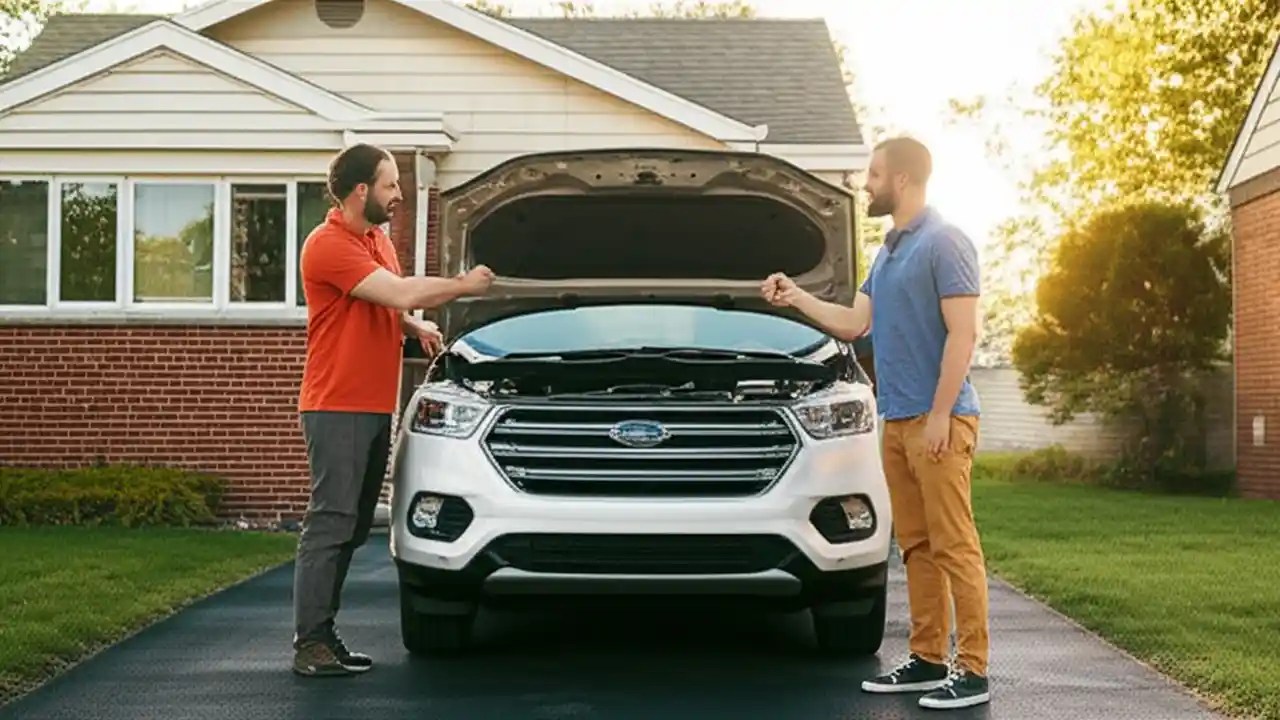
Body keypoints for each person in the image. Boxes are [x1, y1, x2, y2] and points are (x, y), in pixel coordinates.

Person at [761, 136, 990, 710]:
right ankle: (929, 657)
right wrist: (795, 298)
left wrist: (940, 414)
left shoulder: (945, 242)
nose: (866, 184)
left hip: (941, 419)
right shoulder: (888, 251)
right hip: (897, 421)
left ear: (904, 180)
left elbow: (965, 334)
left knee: (954, 546)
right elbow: (853, 323)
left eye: (875, 174)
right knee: (914, 546)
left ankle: (973, 670)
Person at [291, 143, 494, 677]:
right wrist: (461, 286)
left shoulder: (377, 239)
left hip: (373, 403)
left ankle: (323, 637)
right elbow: (399, 292)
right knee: (331, 523)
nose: (399, 194)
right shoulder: (327, 245)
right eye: (390, 185)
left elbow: (382, 301)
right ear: (362, 191)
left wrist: (413, 326)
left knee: (355, 525)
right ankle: (309, 642)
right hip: (336, 404)